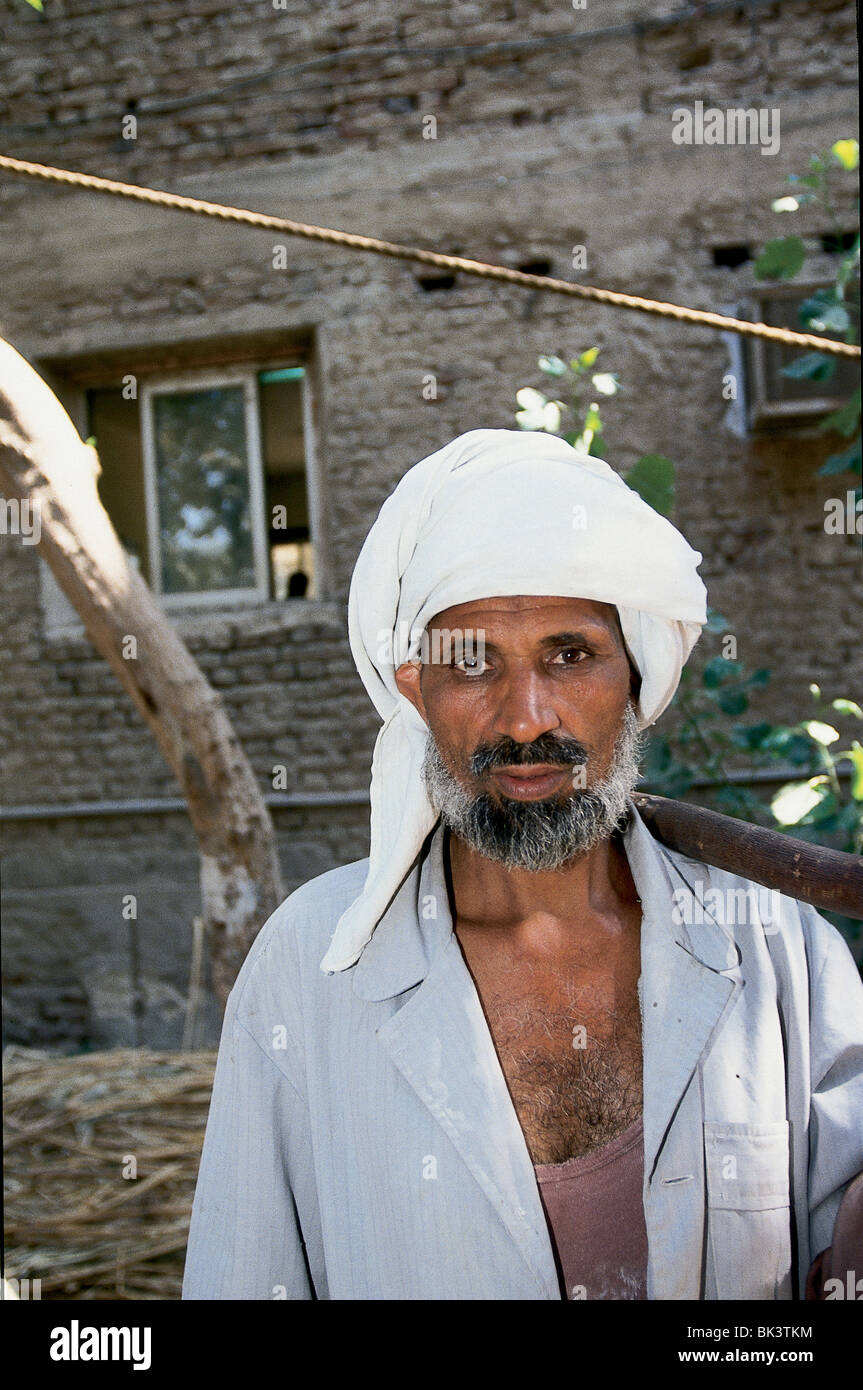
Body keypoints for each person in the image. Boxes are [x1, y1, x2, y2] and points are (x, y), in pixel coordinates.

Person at [182, 429, 863, 1300]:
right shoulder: (313, 967)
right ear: (413, 690)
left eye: (569, 655)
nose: (525, 719)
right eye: (472, 663)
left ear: (636, 677)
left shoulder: (774, 944)